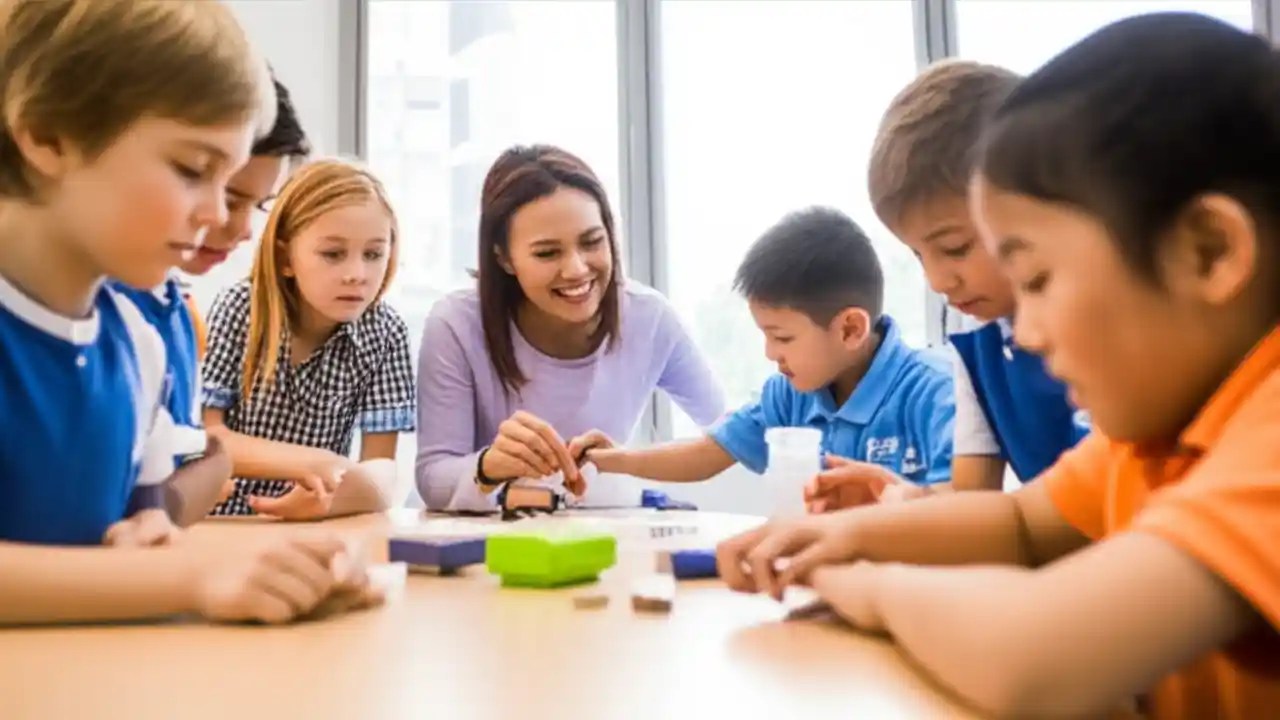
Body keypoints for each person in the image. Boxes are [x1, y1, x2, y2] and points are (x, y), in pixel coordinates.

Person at [716, 13, 1280, 718]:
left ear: (1208, 252)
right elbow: (1018, 524)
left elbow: (1038, 657)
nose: (1030, 335)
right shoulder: (1161, 432)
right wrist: (841, 534)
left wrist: (859, 581)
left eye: (1038, 281)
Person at [0, 0, 378, 624]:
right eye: (193, 170)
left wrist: (164, 543)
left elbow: (133, 529)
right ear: (47, 134)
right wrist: (184, 577)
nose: (213, 216)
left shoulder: (138, 348)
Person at [806, 59, 1088, 510]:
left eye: (955, 248)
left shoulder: (1099, 312)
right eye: (918, 255)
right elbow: (974, 494)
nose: (937, 281)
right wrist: (898, 496)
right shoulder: (972, 332)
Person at [416, 144, 725, 511]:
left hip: (607, 533)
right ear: (504, 258)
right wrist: (488, 467)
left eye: (592, 242)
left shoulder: (650, 318)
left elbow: (731, 431)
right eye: (547, 253)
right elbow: (433, 478)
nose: (577, 269)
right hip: (493, 543)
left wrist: (629, 462)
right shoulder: (456, 324)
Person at [583, 207, 954, 506]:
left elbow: (962, 508)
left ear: (850, 329)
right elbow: (706, 454)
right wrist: (619, 459)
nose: (770, 353)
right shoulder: (789, 394)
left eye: (782, 337)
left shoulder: (934, 391)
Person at [111, 75, 312, 525]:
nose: (237, 227)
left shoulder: (179, 314)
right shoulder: (107, 317)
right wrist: (210, 469)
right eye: (229, 196)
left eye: (258, 207)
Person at [201, 159, 415, 520]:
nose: (357, 274)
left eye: (374, 254)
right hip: (225, 523)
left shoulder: (386, 331)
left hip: (318, 526)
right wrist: (315, 463)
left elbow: (382, 468)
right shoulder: (240, 310)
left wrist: (338, 497)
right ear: (286, 258)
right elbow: (206, 438)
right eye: (333, 254)